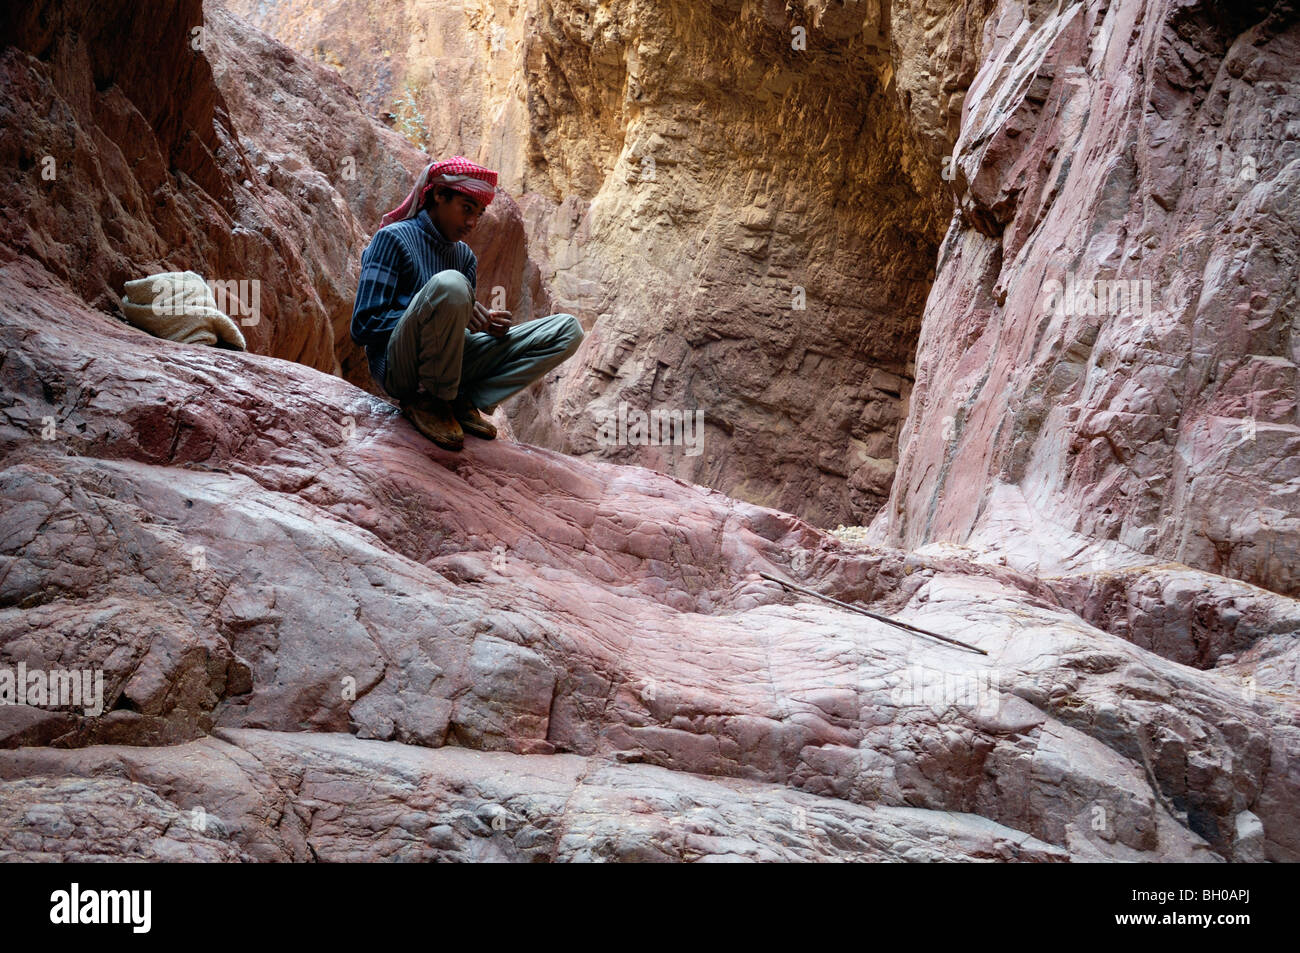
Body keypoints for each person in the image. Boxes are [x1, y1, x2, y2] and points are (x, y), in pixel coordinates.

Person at [350, 156, 584, 450]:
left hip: (449, 369)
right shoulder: (392, 239)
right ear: (439, 195)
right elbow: (363, 326)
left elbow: (454, 337)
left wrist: (485, 327)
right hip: (401, 369)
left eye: (479, 214)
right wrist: (433, 306)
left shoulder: (464, 257)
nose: (472, 223)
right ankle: (428, 402)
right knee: (451, 285)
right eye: (466, 209)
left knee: (567, 330)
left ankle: (463, 399)